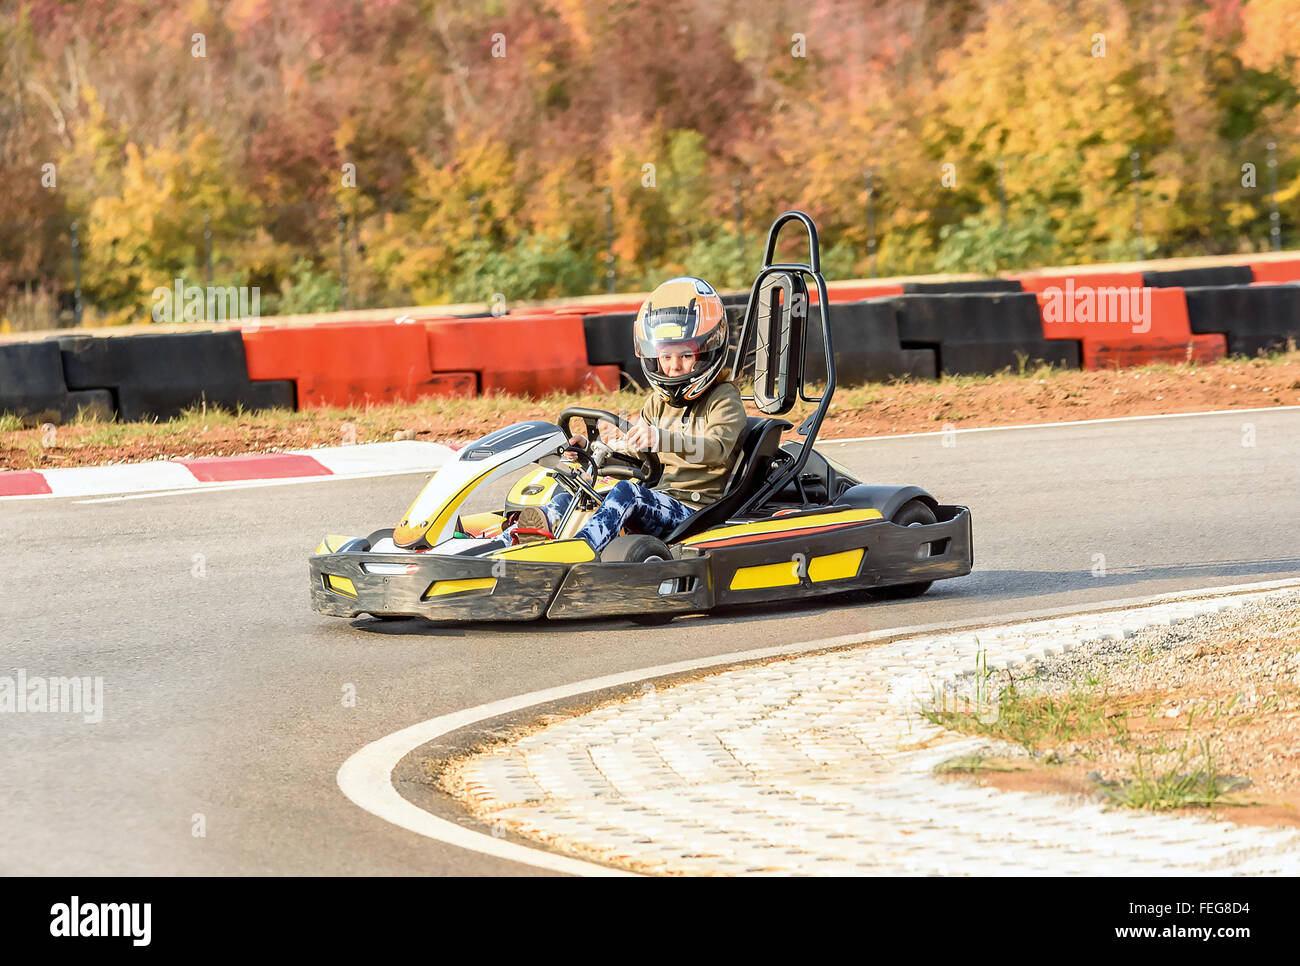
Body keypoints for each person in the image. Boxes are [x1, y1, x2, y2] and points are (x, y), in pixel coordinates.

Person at [515, 276, 747, 552]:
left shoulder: (724, 398)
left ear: (707, 352)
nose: (674, 366)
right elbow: (640, 459)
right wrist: (590, 449)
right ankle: (521, 541)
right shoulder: (657, 402)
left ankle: (579, 551)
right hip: (658, 498)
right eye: (667, 356)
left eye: (685, 356)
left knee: (627, 494)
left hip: (696, 511)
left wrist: (661, 438)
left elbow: (716, 450)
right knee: (578, 493)